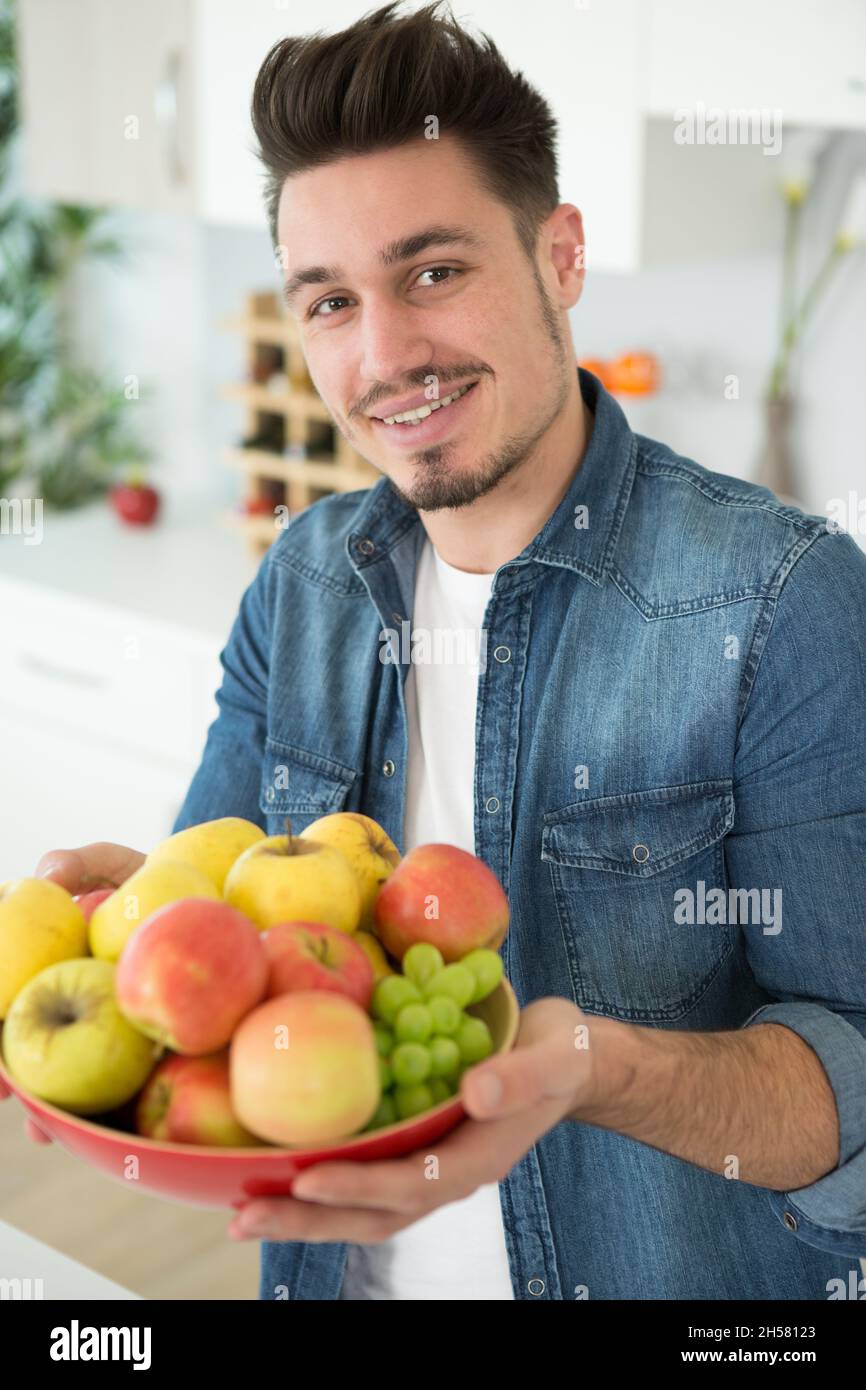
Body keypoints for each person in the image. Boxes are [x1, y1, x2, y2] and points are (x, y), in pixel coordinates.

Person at [8, 1, 866, 1300]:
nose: (384, 354)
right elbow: (227, 911)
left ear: (560, 254)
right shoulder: (301, 583)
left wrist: (596, 1068)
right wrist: (127, 938)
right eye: (329, 301)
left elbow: (851, 1077)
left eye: (432, 271)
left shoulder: (779, 600)